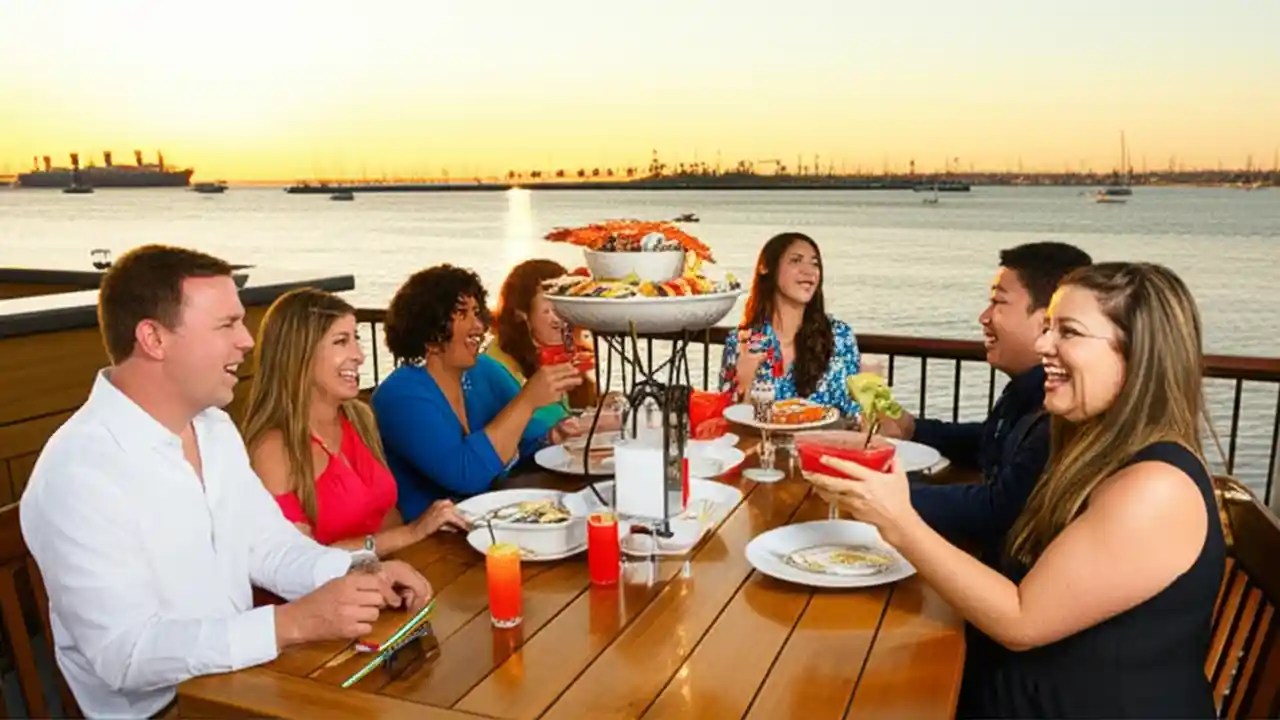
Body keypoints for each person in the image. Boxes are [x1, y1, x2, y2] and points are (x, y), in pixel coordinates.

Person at [19, 245, 430, 719]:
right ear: (154, 338)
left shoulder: (212, 429)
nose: (248, 341)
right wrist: (290, 624)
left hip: (246, 680)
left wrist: (360, 572)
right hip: (171, 710)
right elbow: (126, 655)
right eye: (226, 325)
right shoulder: (78, 474)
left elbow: (268, 545)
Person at [810, 262, 1226, 718]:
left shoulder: (1156, 489)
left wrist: (899, 521)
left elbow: (1021, 620)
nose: (1044, 344)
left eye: (1068, 332)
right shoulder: (1092, 448)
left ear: (1138, 355)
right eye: (1048, 328)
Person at [888, 242, 1092, 561]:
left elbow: (997, 509)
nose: (984, 317)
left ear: (1048, 319)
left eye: (998, 302)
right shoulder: (1026, 390)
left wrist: (883, 494)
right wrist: (912, 428)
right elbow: (989, 439)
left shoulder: (1058, 414)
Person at [241, 288, 469, 557]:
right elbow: (301, 561)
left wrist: (426, 531)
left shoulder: (358, 418)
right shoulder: (274, 449)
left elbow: (386, 516)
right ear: (298, 353)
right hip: (336, 583)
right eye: (341, 341)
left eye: (356, 339)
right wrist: (412, 532)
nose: (359, 356)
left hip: (387, 572)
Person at [372, 264, 583, 522]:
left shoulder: (485, 371)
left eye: (476, 312)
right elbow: (466, 474)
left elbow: (523, 438)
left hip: (494, 520)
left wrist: (551, 436)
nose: (479, 326)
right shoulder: (401, 396)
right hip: (431, 538)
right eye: (462, 314)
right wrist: (528, 400)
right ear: (428, 327)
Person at [719, 232, 861, 416]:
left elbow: (856, 416)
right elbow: (731, 422)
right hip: (762, 436)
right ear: (766, 267)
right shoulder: (743, 342)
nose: (809, 271)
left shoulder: (840, 337)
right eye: (796, 261)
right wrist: (745, 380)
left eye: (815, 264)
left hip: (829, 435)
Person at [486, 258, 602, 426]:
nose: (562, 318)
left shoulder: (565, 354)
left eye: (566, 306)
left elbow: (577, 409)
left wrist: (603, 404)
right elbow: (531, 426)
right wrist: (595, 421)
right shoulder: (497, 365)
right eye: (551, 308)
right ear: (521, 312)